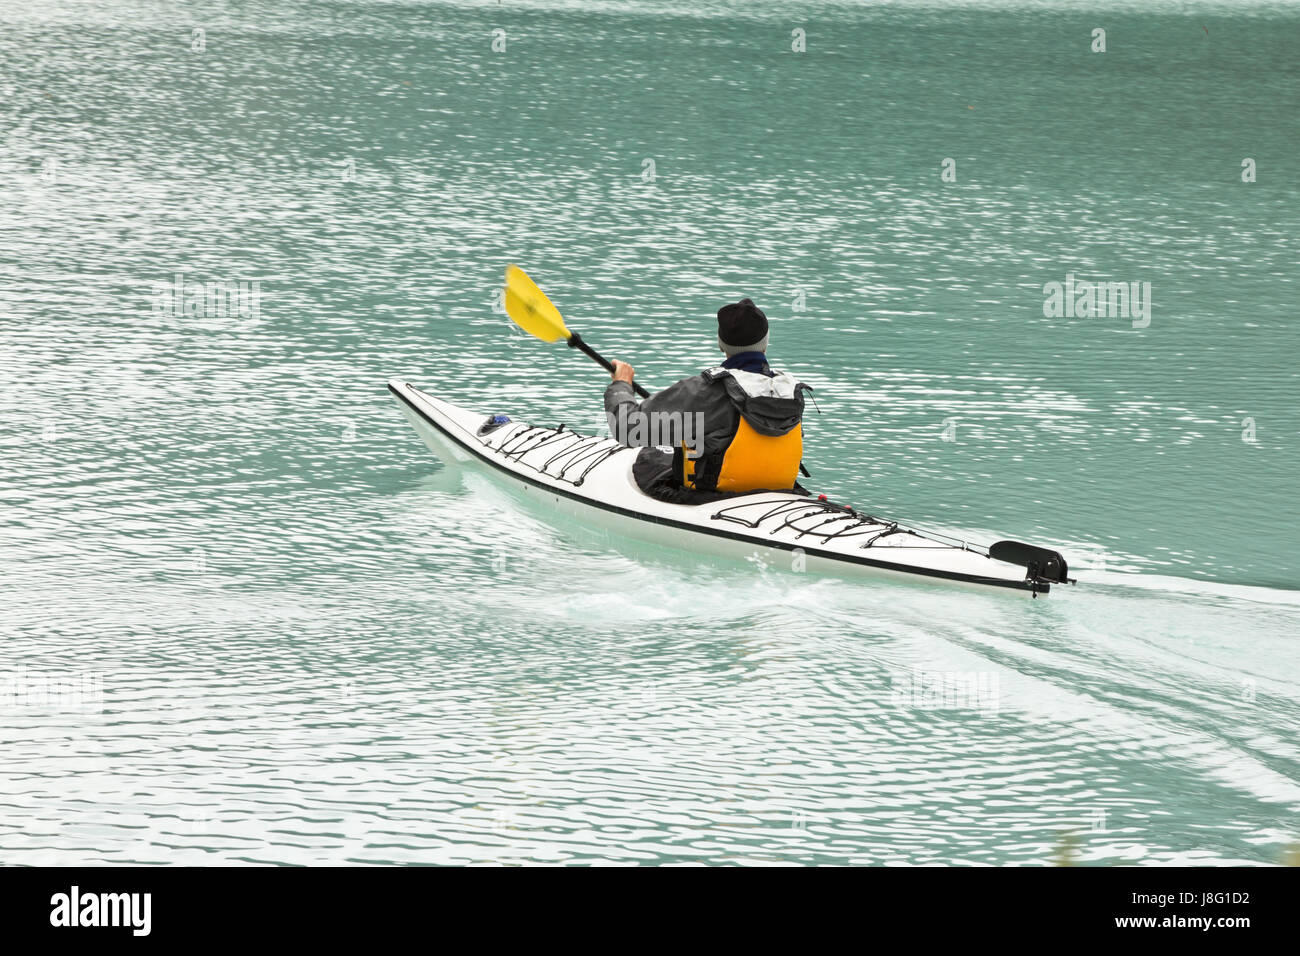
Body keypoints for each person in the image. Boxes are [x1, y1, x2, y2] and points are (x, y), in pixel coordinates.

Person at [604, 298, 809, 497]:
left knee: (652, 457)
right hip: (780, 494)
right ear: (765, 344)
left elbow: (628, 429)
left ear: (721, 344)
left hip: (713, 496)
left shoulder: (702, 390)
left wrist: (622, 384)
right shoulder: (790, 391)